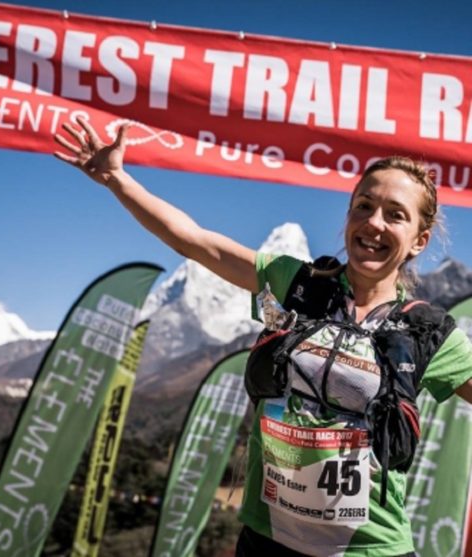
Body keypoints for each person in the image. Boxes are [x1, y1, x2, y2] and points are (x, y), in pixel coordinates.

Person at [55, 117, 472, 557]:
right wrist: (118, 180)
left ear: (418, 241)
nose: (374, 223)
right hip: (266, 540)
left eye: (395, 215)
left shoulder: (429, 332)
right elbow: (195, 242)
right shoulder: (296, 283)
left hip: (371, 549)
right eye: (363, 206)